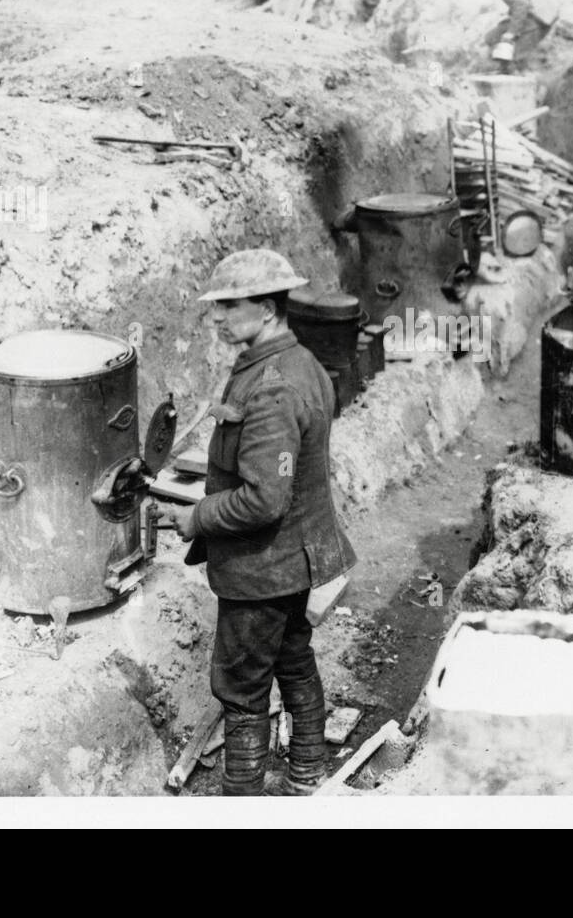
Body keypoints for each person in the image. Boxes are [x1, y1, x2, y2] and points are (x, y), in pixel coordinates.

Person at [161, 248, 358, 796]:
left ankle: (243, 801)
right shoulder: (298, 364)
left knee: (242, 689)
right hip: (297, 559)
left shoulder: (271, 386)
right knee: (294, 660)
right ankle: (305, 777)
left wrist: (196, 517)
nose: (217, 317)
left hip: (263, 569)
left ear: (268, 308)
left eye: (230, 305)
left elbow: (264, 500)